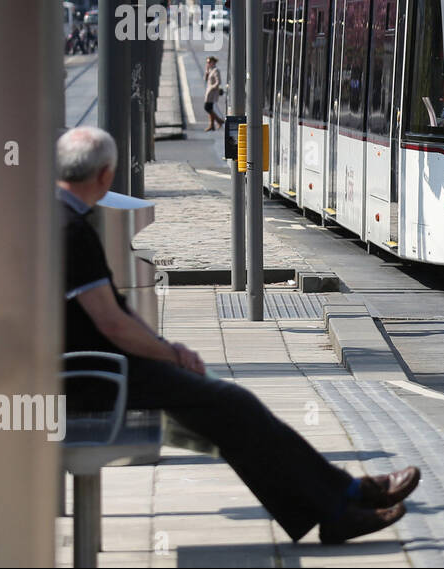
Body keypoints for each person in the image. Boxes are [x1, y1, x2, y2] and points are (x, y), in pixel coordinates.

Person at [57, 127, 419, 544]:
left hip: (92, 369)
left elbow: (110, 316)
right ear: (105, 175)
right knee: (233, 407)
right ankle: (343, 499)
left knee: (229, 415)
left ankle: (338, 502)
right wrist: (170, 353)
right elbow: (112, 324)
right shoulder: (71, 229)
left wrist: (164, 351)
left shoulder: (56, 218)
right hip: (96, 378)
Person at [203, 58, 224, 132]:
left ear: (213, 62)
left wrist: (212, 87)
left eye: (209, 62)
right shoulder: (210, 70)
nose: (208, 64)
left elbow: (218, 82)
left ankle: (219, 121)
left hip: (212, 93)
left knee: (207, 107)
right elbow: (205, 79)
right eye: (207, 62)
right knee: (210, 108)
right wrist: (207, 70)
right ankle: (212, 125)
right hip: (209, 92)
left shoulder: (216, 70)